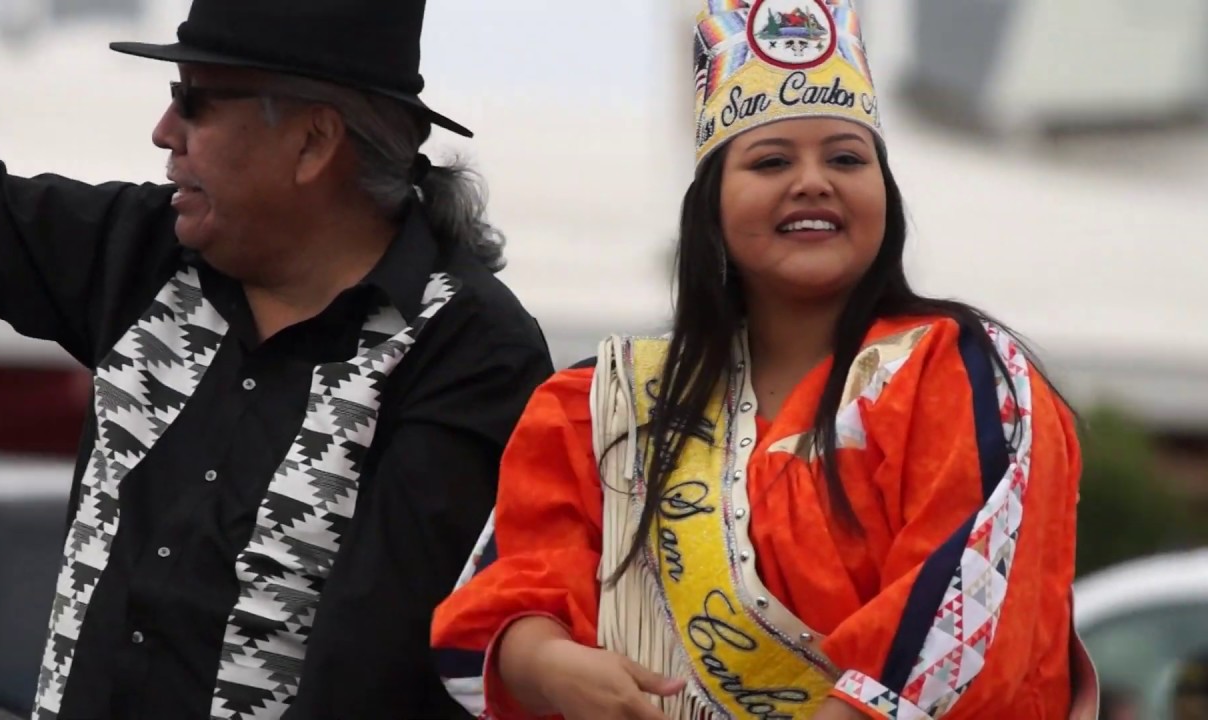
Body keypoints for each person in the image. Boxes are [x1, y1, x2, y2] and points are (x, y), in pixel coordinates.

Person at [431, 0, 1100, 718]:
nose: (813, 180)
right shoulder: (601, 408)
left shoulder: (960, 376)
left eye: (846, 157)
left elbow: (969, 611)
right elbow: (500, 608)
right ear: (711, 203)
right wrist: (547, 661)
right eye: (771, 160)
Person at [0, 0, 554, 718]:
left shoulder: (467, 349)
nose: (164, 133)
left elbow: (379, 671)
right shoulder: (146, 253)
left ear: (313, 142)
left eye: (192, 100)